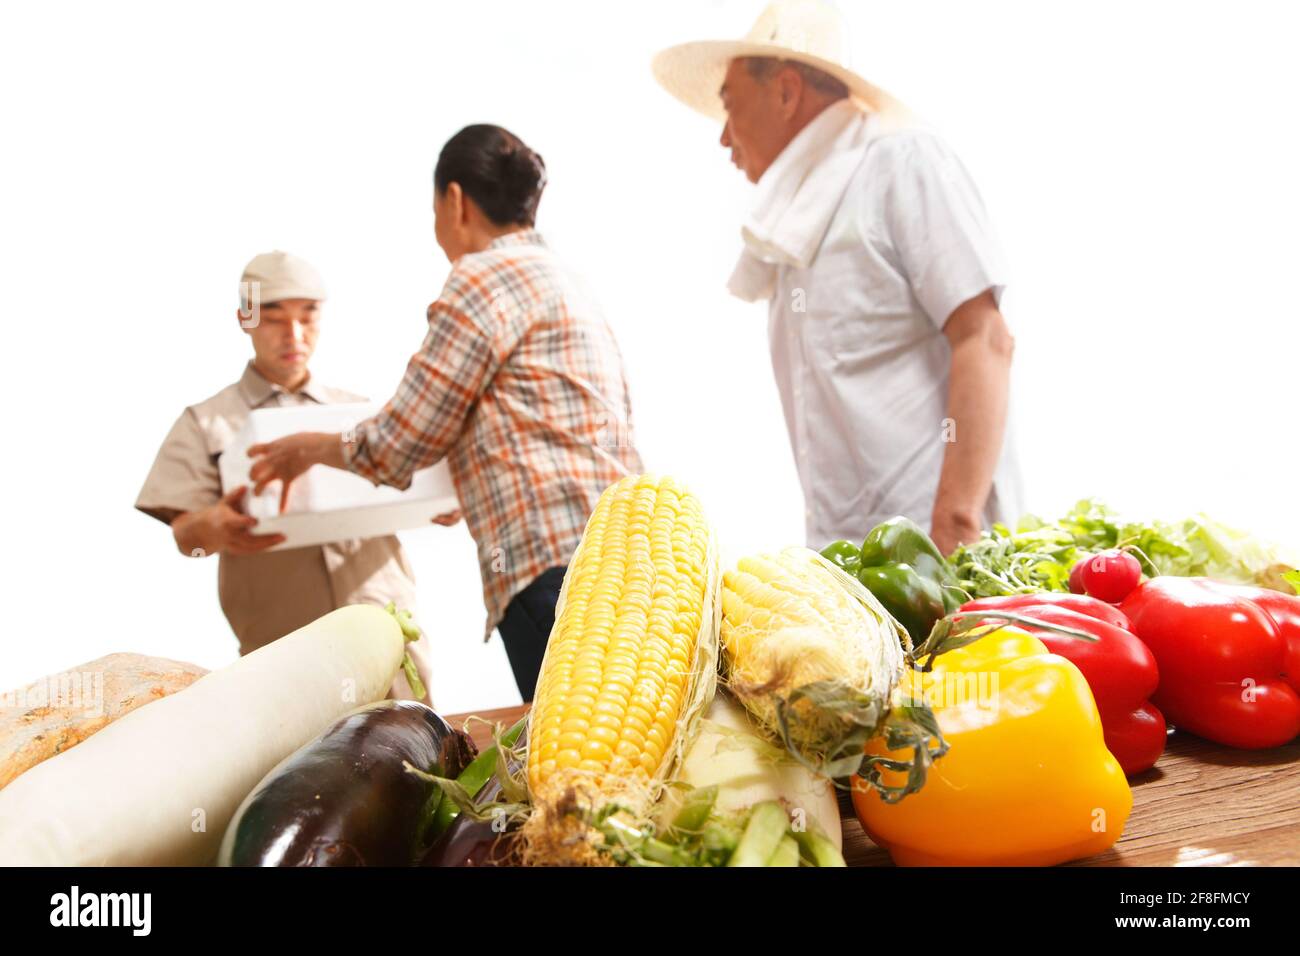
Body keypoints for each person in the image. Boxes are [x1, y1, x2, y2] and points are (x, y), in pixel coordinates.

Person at [245, 125, 643, 701]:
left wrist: (308, 450)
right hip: (627, 550)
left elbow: (399, 440)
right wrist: (461, 482)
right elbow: (542, 421)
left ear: (454, 201)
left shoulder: (481, 278)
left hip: (551, 569)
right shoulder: (567, 280)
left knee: (581, 769)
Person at [653, 0, 1024, 555]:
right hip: (853, 573)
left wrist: (954, 528)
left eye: (731, 107)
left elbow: (985, 337)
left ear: (785, 91)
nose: (724, 138)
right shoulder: (794, 226)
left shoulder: (902, 164)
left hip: (944, 562)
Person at [134, 251, 433, 700]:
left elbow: (421, 483)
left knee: (420, 758)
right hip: (284, 658)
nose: (294, 335)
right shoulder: (205, 422)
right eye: (275, 319)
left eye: (307, 317)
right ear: (245, 319)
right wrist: (213, 526)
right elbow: (186, 537)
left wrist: (438, 505)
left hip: (389, 631)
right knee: (306, 768)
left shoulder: (361, 415)